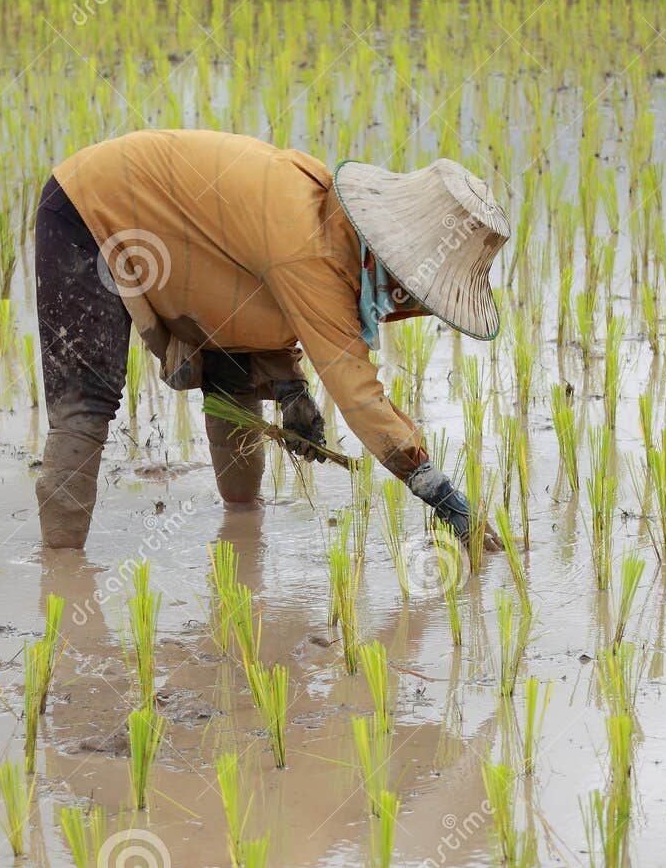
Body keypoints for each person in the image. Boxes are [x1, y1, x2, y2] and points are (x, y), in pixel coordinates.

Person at [34, 128, 509, 551]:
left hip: (184, 240)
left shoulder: (326, 222)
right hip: (88, 206)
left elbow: (260, 300)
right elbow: (358, 395)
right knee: (87, 401)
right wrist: (441, 495)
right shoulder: (310, 252)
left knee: (235, 371)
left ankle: (241, 528)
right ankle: (62, 571)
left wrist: (290, 388)